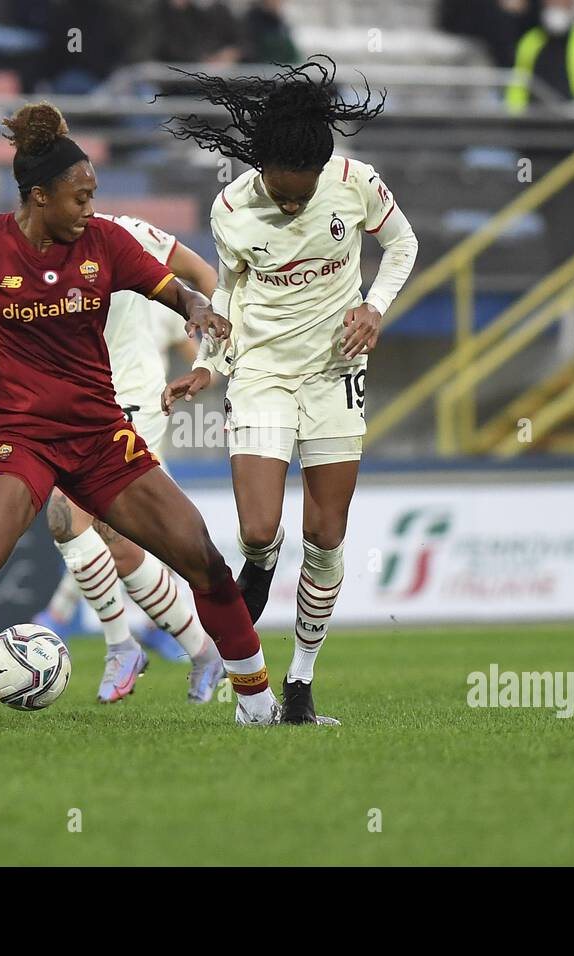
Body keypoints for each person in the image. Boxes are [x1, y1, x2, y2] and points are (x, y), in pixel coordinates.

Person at [0, 102, 282, 733]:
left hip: (102, 436)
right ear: (39, 197)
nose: (89, 208)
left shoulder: (106, 244)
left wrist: (196, 310)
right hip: (23, 439)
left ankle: (258, 704)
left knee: (203, 557)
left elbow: (174, 288)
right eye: (79, 198)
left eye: (93, 195)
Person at [161, 57, 419, 724]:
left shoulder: (356, 184)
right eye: (283, 193)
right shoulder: (231, 210)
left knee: (327, 536)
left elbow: (403, 244)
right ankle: (260, 562)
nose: (293, 204)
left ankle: (299, 685)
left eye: (303, 196)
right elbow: (229, 292)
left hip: (335, 373)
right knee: (258, 528)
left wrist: (375, 308)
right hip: (264, 372)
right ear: (263, 168)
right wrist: (209, 364)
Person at [33, 212, 226, 705]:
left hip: (133, 402)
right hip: (77, 402)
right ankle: (201, 650)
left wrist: (213, 359)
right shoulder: (30, 244)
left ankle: (119, 644)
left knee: (67, 516)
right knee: (115, 544)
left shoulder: (130, 236)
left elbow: (202, 279)